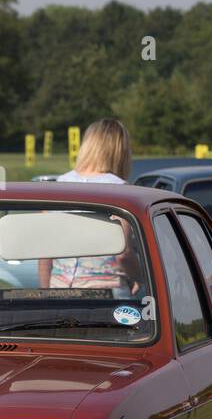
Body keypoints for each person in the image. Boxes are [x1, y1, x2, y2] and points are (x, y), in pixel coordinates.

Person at [37, 118, 141, 294]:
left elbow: (44, 254)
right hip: (106, 290)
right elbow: (123, 253)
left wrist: (46, 293)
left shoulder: (58, 186)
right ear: (120, 151)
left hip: (60, 287)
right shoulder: (120, 190)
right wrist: (140, 278)